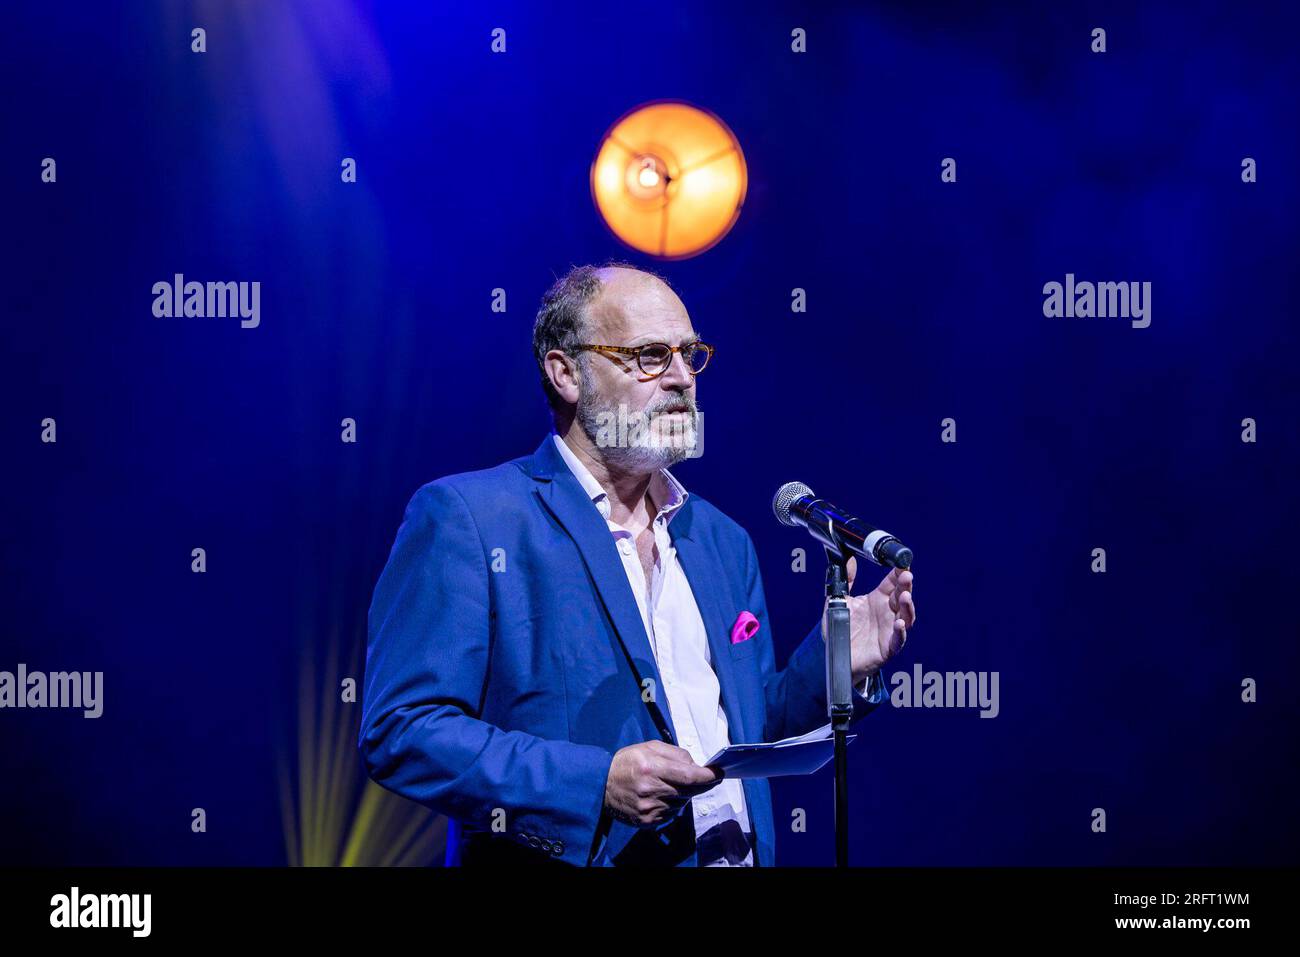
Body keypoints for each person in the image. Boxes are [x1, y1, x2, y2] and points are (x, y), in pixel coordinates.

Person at [358, 263, 917, 866]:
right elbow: (404, 730)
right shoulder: (472, 517)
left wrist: (835, 666)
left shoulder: (721, 539)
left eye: (690, 354)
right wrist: (596, 783)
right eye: (650, 355)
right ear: (566, 373)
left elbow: (744, 729)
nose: (681, 378)